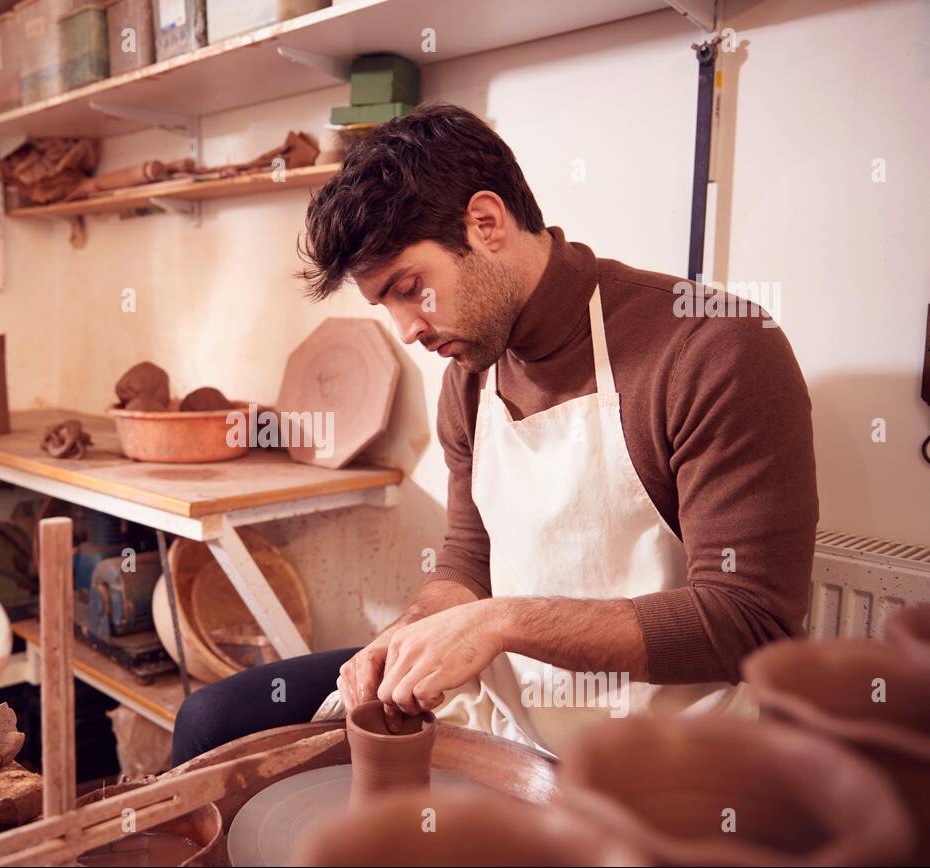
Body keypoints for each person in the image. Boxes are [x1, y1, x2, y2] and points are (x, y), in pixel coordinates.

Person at [172, 103, 817, 765]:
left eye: (409, 288)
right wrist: (408, 634)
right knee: (213, 719)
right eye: (385, 305)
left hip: (667, 755)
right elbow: (467, 555)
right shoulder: (474, 369)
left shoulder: (713, 347)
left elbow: (751, 622)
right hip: (511, 713)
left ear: (485, 224)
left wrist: (500, 622)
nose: (407, 331)